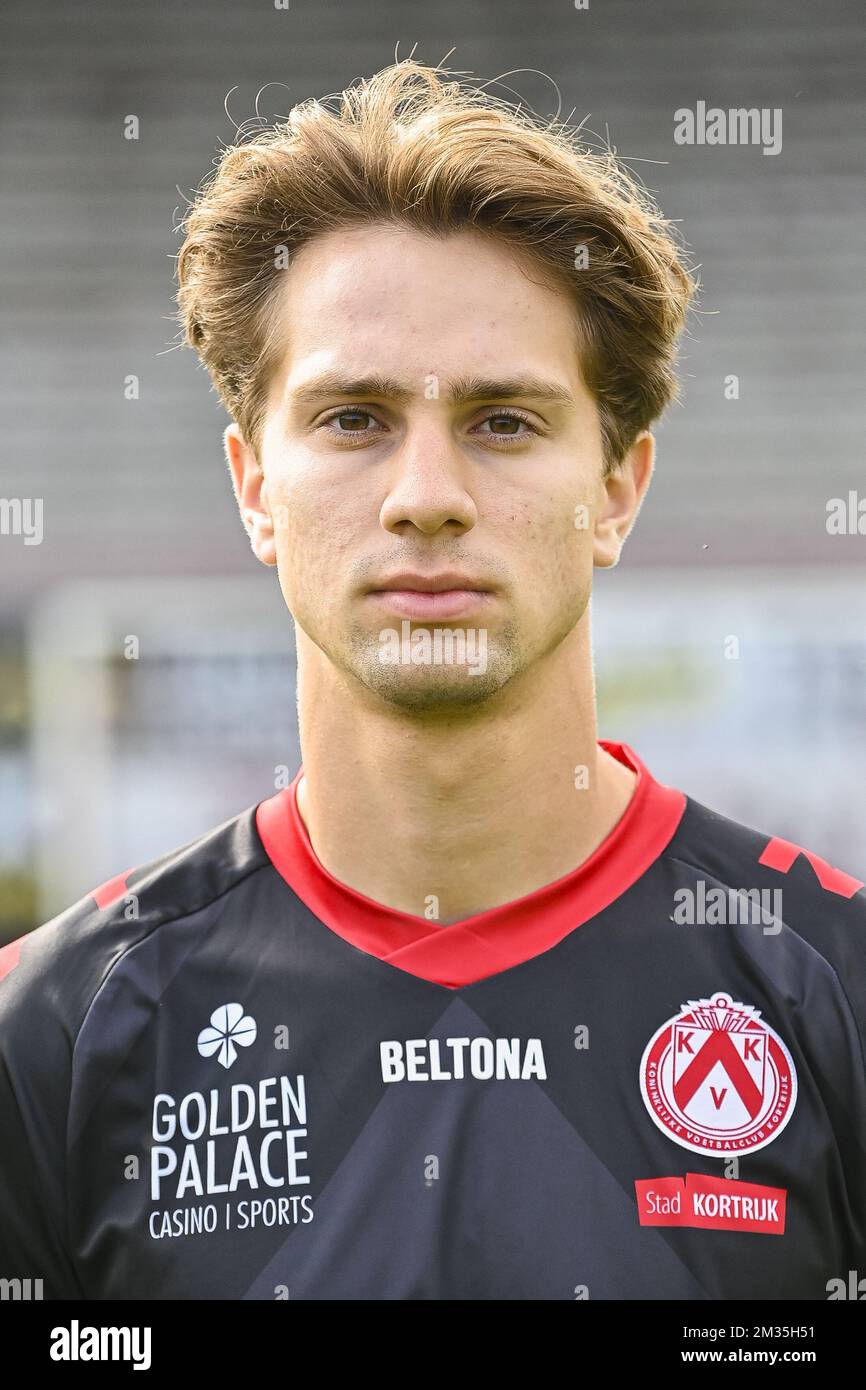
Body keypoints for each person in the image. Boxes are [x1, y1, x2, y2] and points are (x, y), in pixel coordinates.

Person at [1, 59, 864, 1301]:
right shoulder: (55, 1035)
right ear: (254, 486)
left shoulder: (824, 987)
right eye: (351, 418)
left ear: (616, 490)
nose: (426, 498)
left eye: (502, 421)